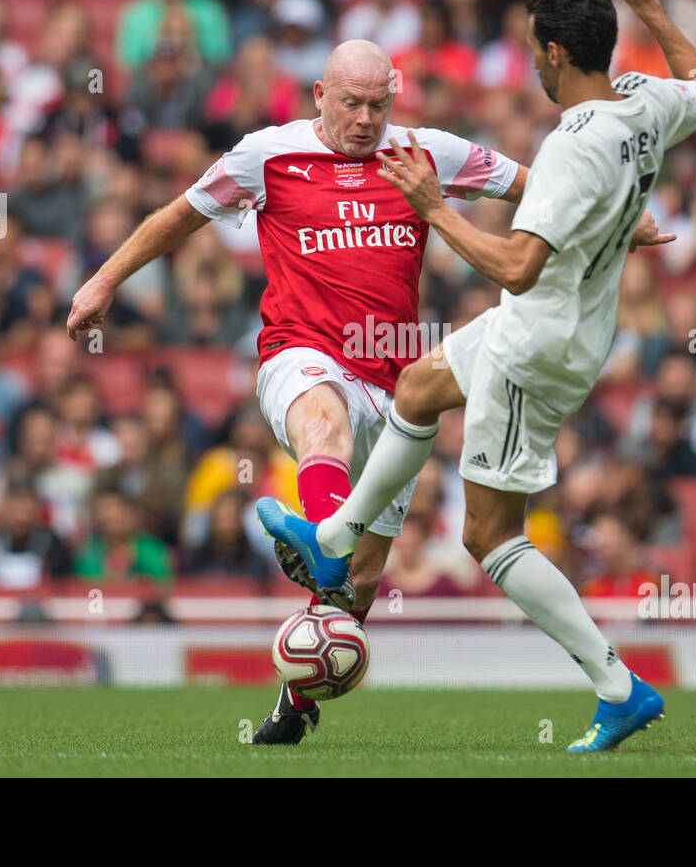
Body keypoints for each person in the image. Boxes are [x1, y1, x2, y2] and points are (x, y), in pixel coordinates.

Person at [257, 0, 696, 753]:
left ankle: (619, 684)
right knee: (418, 384)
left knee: (489, 536)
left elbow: (515, 264)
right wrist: (650, 3)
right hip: (554, 320)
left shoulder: (571, 147)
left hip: (539, 341)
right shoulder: (644, 99)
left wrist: (434, 209)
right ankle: (334, 543)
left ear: (551, 53)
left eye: (533, 49)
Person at [66, 39, 529, 744]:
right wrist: (103, 281)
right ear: (319, 94)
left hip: (396, 385)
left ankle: (295, 702)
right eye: (351, 102)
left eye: (379, 104)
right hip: (301, 353)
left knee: (363, 586)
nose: (366, 118)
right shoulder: (267, 155)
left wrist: (614, 216)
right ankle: (324, 545)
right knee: (324, 424)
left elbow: (536, 188)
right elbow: (178, 216)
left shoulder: (425, 154)